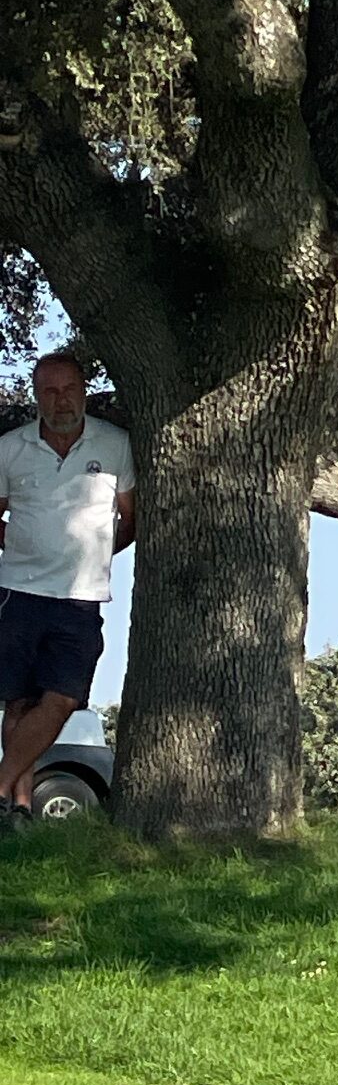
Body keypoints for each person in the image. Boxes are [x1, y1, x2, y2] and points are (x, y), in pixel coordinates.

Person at [0, 352, 135, 827]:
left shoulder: (115, 445)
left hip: (81, 597)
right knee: (18, 702)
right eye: (50, 392)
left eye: (70, 390)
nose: (61, 401)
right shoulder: (10, 448)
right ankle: (19, 808)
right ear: (37, 396)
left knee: (61, 699)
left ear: (84, 390)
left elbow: (130, 519)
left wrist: (94, 555)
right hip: (17, 590)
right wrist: (22, 545)